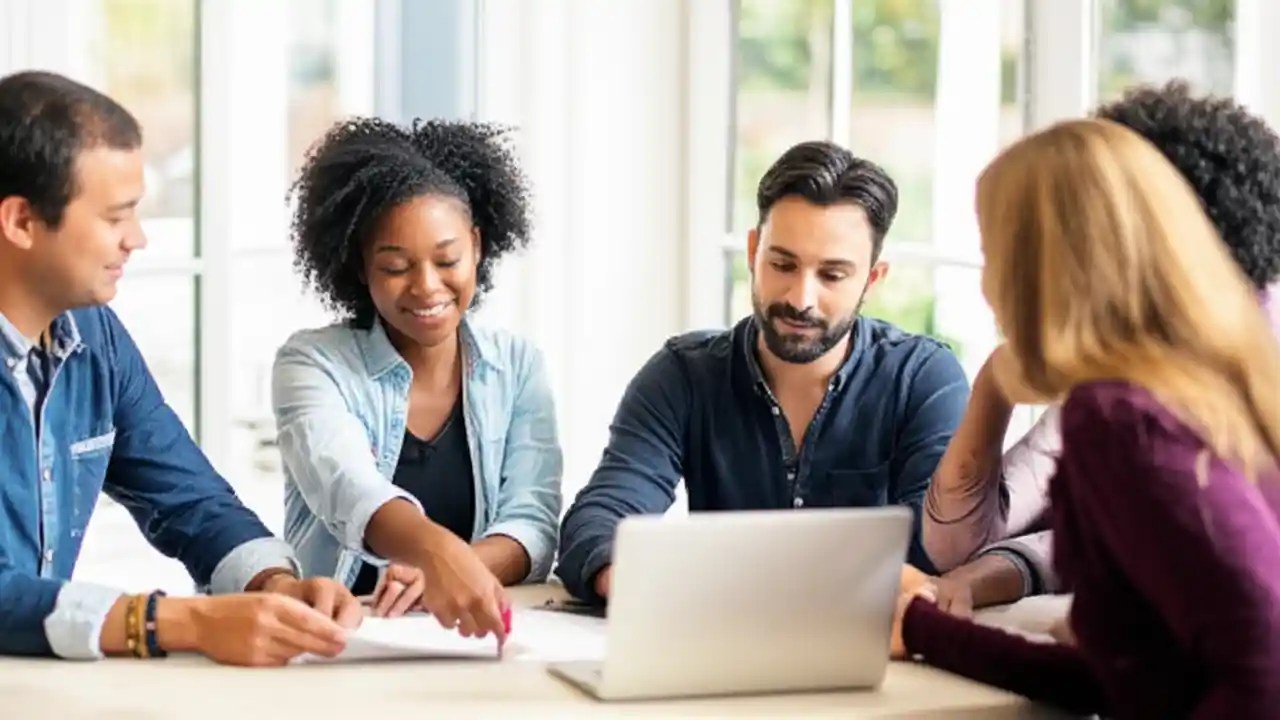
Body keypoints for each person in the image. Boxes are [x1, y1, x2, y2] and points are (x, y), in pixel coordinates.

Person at [891, 117, 1280, 718]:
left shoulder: (1121, 419)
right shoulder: (1205, 390)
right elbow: (1125, 677)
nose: (986, 285)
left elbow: (1264, 670)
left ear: (1039, 269)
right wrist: (921, 628)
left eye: (992, 255)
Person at [0, 70, 360, 664]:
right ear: (20, 222)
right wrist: (179, 621)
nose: (137, 239)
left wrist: (274, 585)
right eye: (115, 217)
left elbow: (187, 498)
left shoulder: (94, 336)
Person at [557, 140, 970, 603]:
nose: (800, 298)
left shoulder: (922, 379)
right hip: (716, 630)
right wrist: (630, 580)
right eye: (782, 264)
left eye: (832, 275)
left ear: (871, 279)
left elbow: (939, 548)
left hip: (871, 636)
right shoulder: (682, 376)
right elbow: (597, 521)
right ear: (754, 251)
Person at [274, 117, 562, 638]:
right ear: (360, 267)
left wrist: (449, 573)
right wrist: (437, 553)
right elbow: (350, 489)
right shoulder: (312, 364)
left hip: (467, 639)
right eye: (395, 267)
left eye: (447, 259)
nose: (427, 287)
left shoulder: (518, 366)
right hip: (338, 638)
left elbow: (533, 523)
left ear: (477, 247)